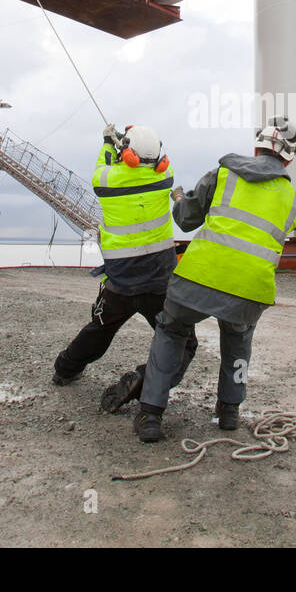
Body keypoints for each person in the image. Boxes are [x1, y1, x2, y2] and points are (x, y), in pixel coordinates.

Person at [128, 117, 296, 442]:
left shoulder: (223, 174)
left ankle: (151, 414)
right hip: (250, 290)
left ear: (257, 146)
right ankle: (229, 411)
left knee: (171, 330)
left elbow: (185, 220)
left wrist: (180, 200)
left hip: (199, 277)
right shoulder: (295, 202)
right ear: (290, 158)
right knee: (239, 339)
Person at [53, 124, 198, 399]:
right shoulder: (165, 177)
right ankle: (144, 381)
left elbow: (103, 166)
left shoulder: (107, 182)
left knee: (98, 332)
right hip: (160, 284)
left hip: (120, 283)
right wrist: (127, 146)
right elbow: (150, 163)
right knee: (183, 342)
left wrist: (109, 143)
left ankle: (65, 369)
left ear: (127, 155)